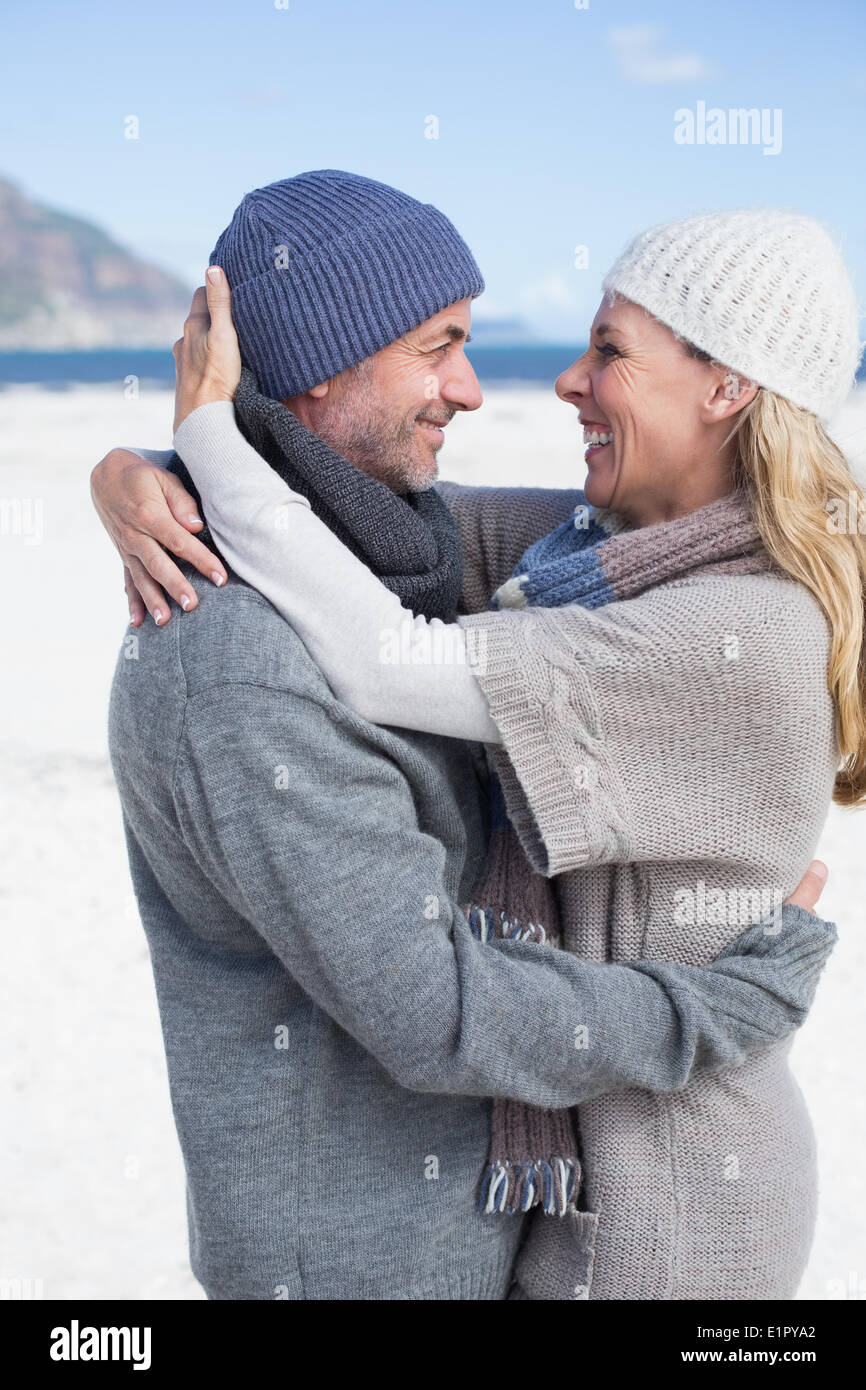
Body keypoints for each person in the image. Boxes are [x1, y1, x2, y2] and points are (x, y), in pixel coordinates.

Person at [92, 176, 837, 1301]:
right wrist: (147, 474)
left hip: (672, 1212)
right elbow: (357, 527)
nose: (541, 383)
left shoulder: (728, 619)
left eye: (608, 350)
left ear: (729, 386)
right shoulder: (593, 550)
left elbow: (386, 646)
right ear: (328, 359)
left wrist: (203, 435)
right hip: (513, 1211)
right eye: (439, 345)